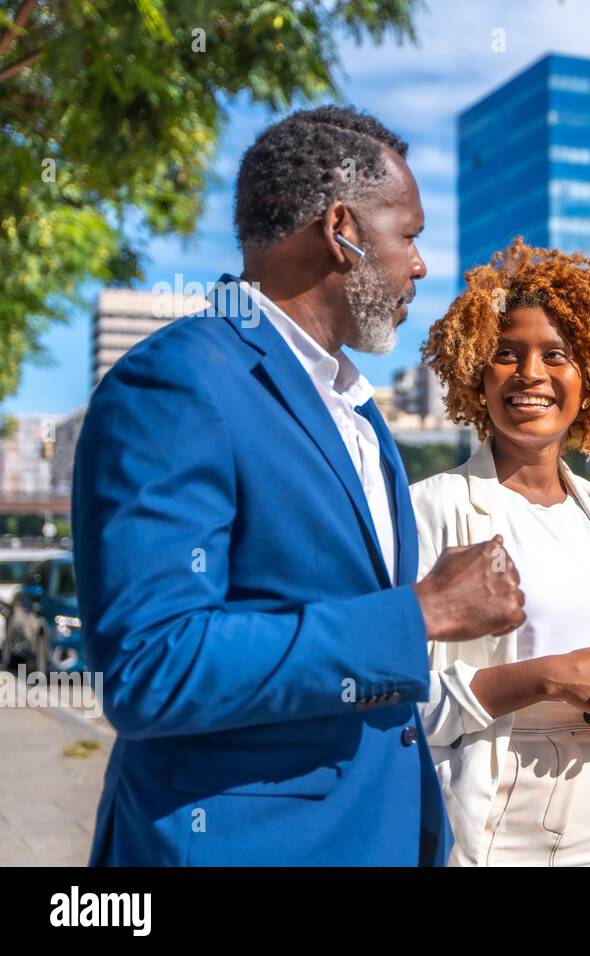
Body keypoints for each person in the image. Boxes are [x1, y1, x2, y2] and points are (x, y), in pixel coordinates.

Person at [72, 106, 525, 866]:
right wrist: (420, 613)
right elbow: (151, 665)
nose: (421, 265)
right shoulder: (176, 383)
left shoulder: (353, 404)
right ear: (342, 229)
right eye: (409, 235)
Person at [409, 238, 590, 866]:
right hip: (497, 818)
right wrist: (546, 677)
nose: (531, 374)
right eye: (506, 354)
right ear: (477, 371)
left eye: (556, 355)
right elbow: (398, 703)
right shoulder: (432, 507)